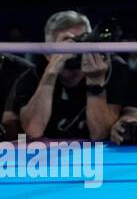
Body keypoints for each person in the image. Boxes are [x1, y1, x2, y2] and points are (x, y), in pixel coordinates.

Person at [14, 11, 128, 142]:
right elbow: (33, 131)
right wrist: (51, 72)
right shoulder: (33, 76)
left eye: (82, 39)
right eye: (69, 42)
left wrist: (95, 81)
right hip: (50, 155)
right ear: (48, 53)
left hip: (97, 156)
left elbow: (100, 134)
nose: (76, 49)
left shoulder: (112, 68)